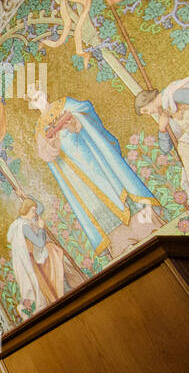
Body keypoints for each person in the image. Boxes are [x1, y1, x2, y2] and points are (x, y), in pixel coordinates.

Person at [27, 87, 158, 256]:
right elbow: (45, 154)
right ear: (31, 104)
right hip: (75, 174)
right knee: (96, 203)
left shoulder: (64, 103)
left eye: (39, 95)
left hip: (93, 157)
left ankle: (145, 227)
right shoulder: (39, 128)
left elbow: (86, 110)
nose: (39, 100)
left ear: (44, 92)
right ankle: (122, 244)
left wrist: (74, 122)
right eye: (34, 99)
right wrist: (52, 143)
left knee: (114, 187)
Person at [6, 198, 70, 314]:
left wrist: (25, 196)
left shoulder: (22, 219)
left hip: (37, 256)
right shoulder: (24, 226)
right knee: (54, 251)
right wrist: (41, 228)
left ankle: (64, 285)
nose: (35, 214)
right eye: (33, 211)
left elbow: (40, 207)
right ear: (27, 210)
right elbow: (40, 243)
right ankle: (63, 287)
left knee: (53, 250)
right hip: (34, 260)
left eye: (34, 211)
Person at [137, 77, 189, 197]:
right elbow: (166, 148)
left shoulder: (175, 94)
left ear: (148, 100)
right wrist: (162, 129)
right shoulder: (166, 112)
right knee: (184, 148)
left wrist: (183, 109)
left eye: (146, 110)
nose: (149, 113)